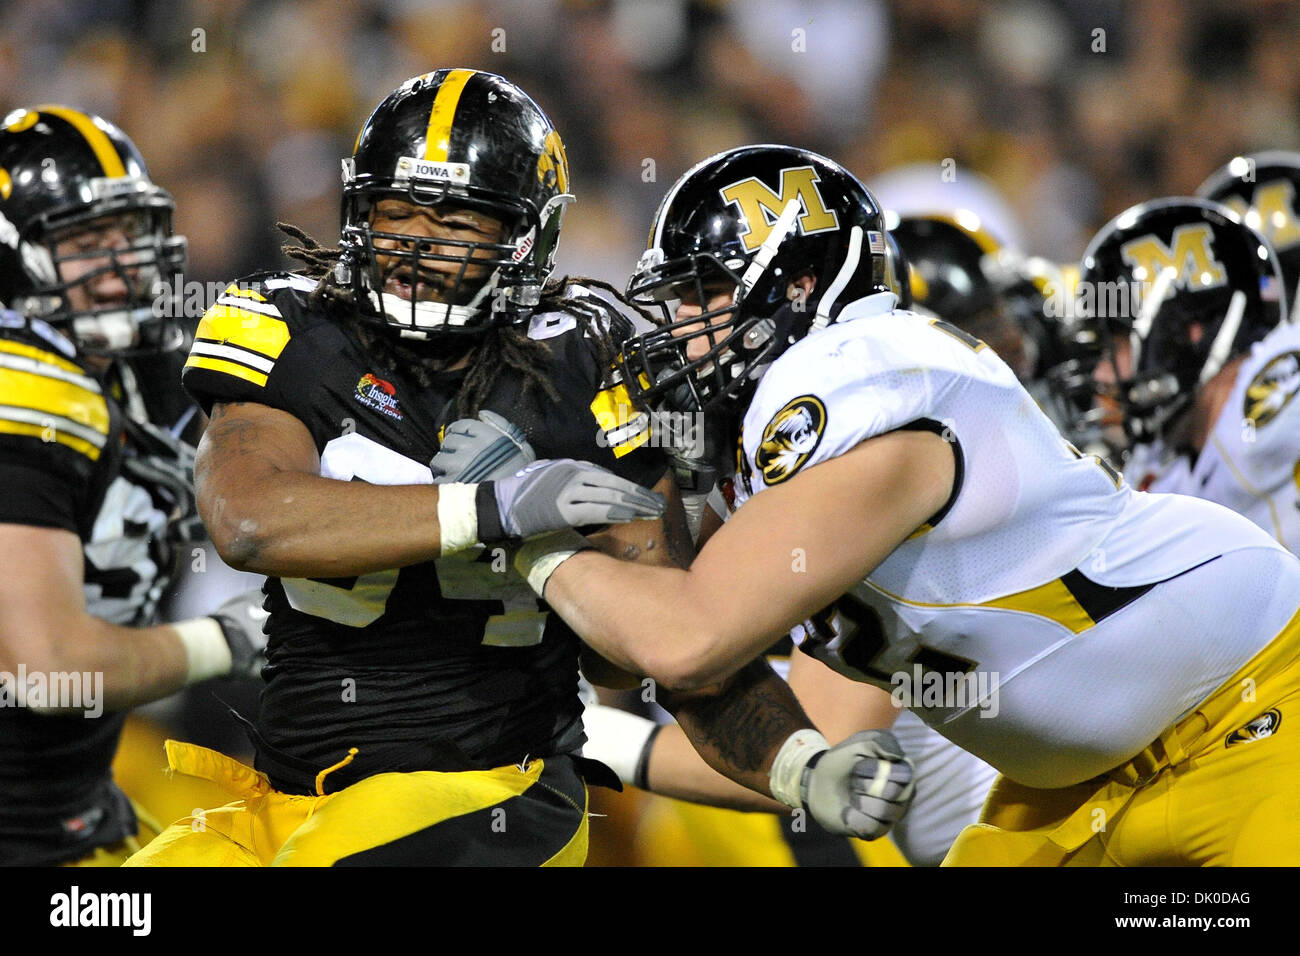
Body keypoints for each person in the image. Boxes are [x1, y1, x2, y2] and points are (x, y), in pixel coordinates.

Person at [126, 72, 896, 867]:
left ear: (529, 235)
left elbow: (661, 640)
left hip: (492, 792)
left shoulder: (593, 364)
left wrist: (800, 762)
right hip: (282, 798)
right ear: (358, 213)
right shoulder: (289, 324)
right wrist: (488, 508)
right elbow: (250, 521)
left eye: (458, 220)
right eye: (398, 212)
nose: (418, 247)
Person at [470, 144, 1300, 866]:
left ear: (797, 285)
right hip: (1076, 778)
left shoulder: (855, 372)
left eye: (703, 294)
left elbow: (686, 637)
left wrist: (516, 525)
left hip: (1253, 703)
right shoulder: (762, 437)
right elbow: (631, 649)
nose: (678, 323)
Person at [0, 105, 268, 866]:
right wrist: (226, 640)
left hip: (75, 809)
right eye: (88, 243)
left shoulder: (130, 371)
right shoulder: (19, 393)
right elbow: (45, 670)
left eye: (129, 234)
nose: (121, 263)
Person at [1079, 197, 1300, 556]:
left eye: (1114, 347)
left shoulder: (1278, 381)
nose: (1102, 373)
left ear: (1186, 336)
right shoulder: (1162, 466)